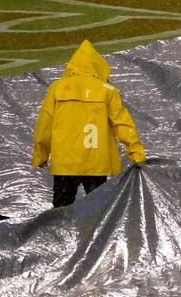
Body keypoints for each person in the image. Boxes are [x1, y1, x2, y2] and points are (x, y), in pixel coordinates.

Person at [32, 40, 146, 207]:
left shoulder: (58, 88)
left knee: (60, 212)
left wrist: (40, 155)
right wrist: (136, 153)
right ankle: (91, 233)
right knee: (97, 212)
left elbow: (45, 124)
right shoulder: (107, 91)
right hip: (95, 162)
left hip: (66, 163)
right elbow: (122, 124)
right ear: (97, 66)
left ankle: (62, 233)